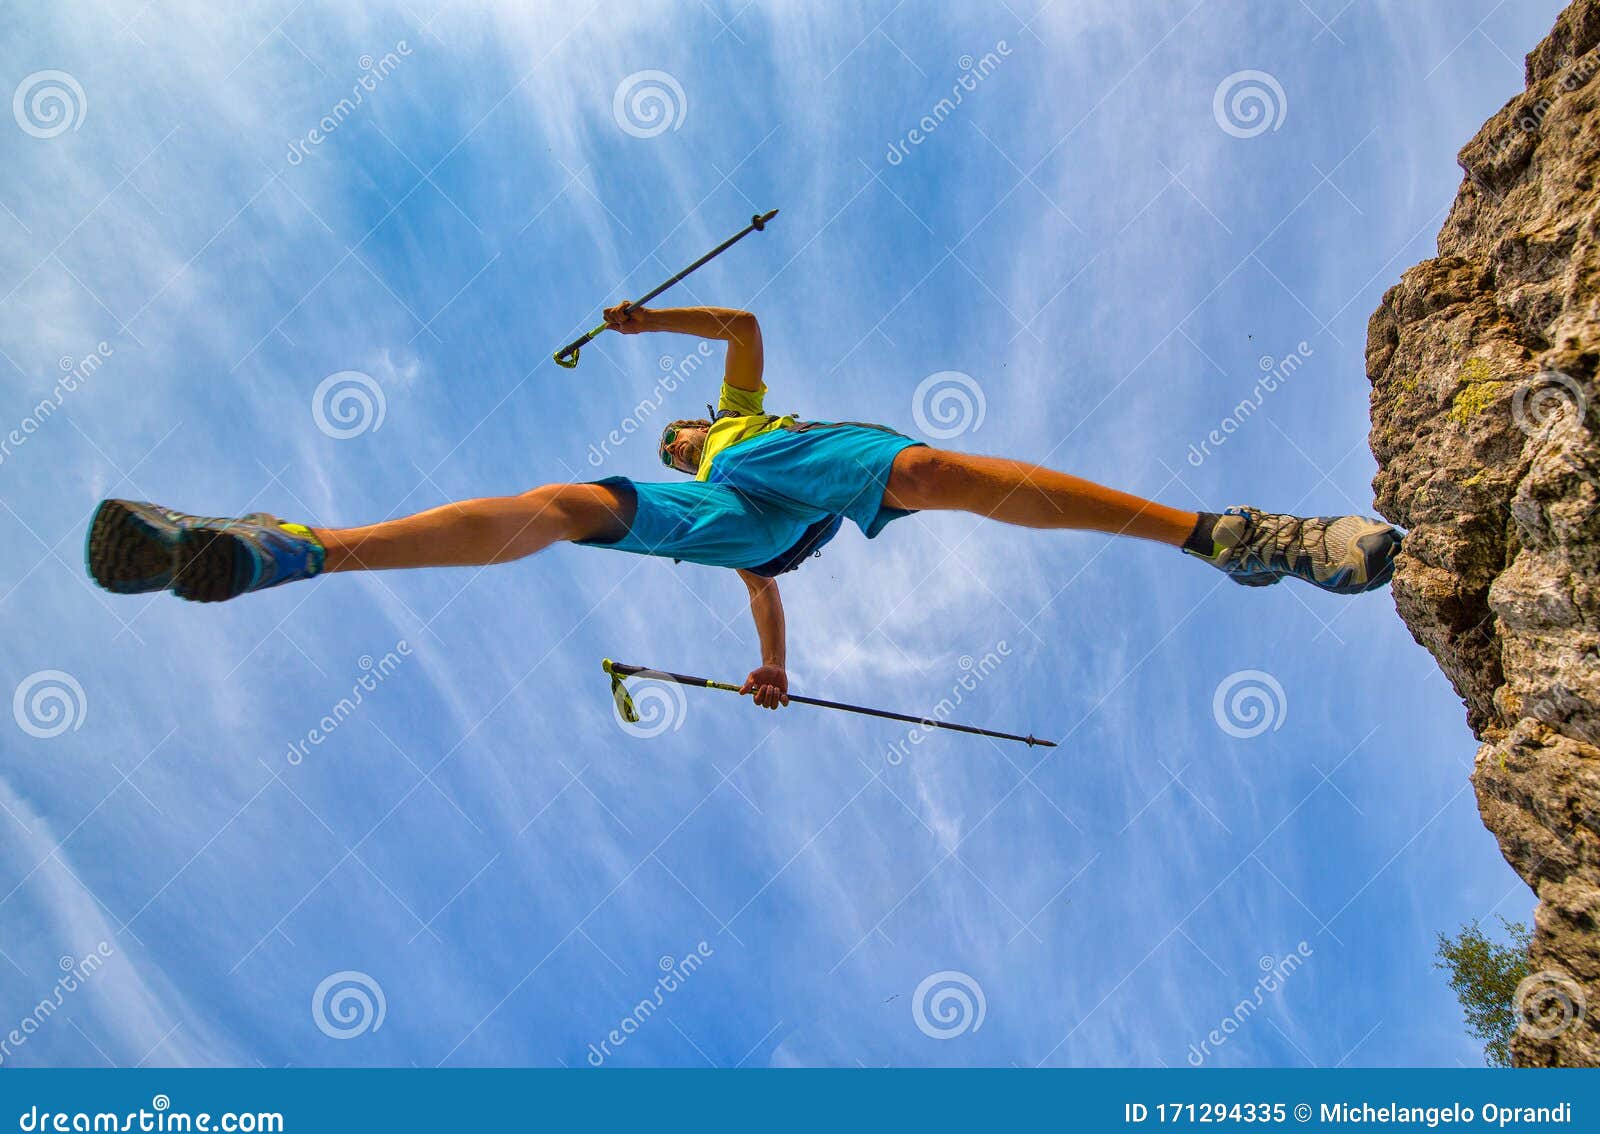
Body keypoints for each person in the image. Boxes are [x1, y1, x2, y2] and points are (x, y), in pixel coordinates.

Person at [86, 302, 1403, 710]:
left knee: (925, 476)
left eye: (674, 423)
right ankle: (293, 547)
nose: (670, 430)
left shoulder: (739, 410)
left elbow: (745, 324)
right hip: (744, 521)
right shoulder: (697, 466)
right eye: (670, 431)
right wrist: (772, 669)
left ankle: (1229, 537)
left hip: (796, 466)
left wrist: (644, 322)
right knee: (564, 506)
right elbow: (762, 583)